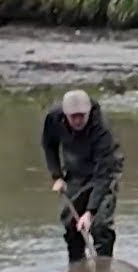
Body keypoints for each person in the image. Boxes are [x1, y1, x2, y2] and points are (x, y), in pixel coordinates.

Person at [41, 89, 124, 262]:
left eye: (82, 116)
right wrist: (56, 175)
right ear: (65, 115)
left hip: (105, 169)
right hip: (76, 168)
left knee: (100, 225)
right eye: (73, 116)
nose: (78, 120)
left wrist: (90, 212)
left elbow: (103, 175)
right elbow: (49, 145)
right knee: (71, 223)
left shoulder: (102, 130)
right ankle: (77, 266)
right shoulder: (54, 118)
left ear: (88, 113)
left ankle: (104, 267)